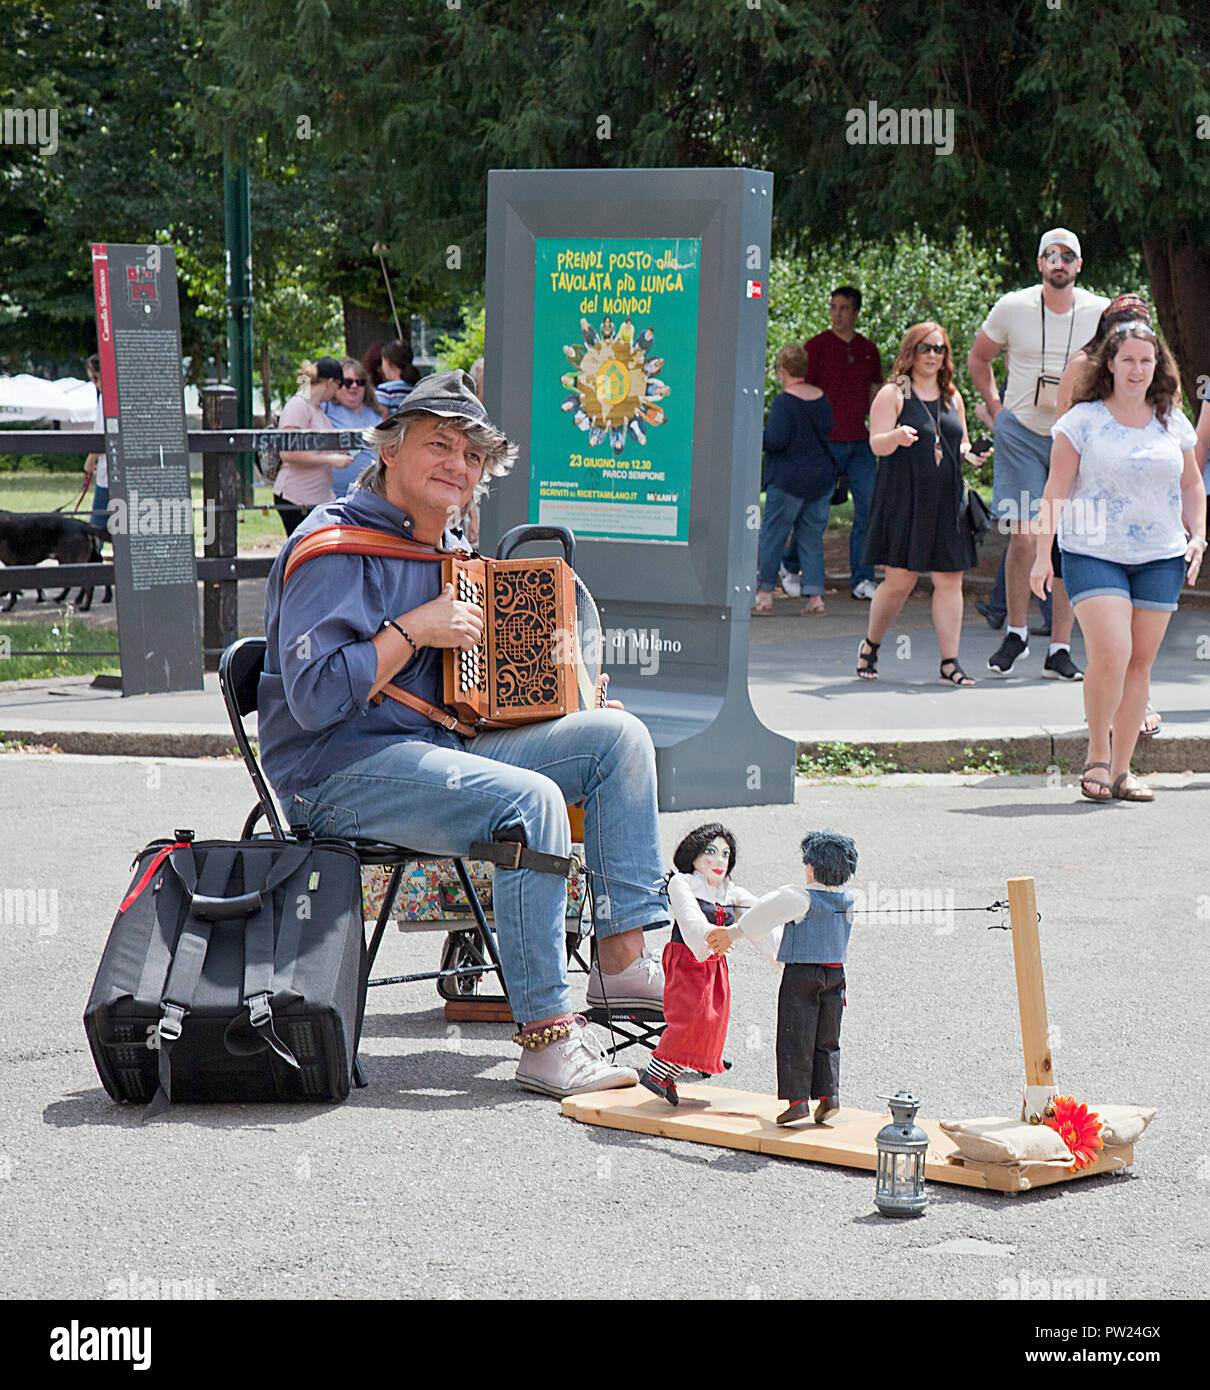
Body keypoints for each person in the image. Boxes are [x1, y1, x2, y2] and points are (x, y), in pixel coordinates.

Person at [257, 369, 668, 1098]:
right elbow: (316, 699)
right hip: (337, 772)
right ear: (389, 449)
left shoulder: (447, 546)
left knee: (618, 739)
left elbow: (471, 693)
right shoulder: (332, 546)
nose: (459, 464)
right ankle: (547, 1039)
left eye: (473, 456)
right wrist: (414, 629)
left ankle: (619, 962)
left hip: (438, 753)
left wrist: (568, 697)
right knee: (533, 801)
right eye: (439, 445)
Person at [1031, 323, 1206, 802]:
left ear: (1157, 366)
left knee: (1139, 665)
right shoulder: (1082, 420)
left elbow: (1192, 484)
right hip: (1092, 550)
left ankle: (1124, 770)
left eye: (1146, 361)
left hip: (1161, 554)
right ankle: (1097, 756)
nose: (1137, 369)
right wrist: (1043, 555)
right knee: (1112, 652)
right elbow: (1055, 489)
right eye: (1127, 360)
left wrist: (1199, 535)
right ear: (1109, 364)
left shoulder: (1171, 420)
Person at [969, 229, 1108, 678]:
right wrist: (997, 409)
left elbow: (1120, 363)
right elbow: (979, 358)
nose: (1059, 262)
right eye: (1052, 255)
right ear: (1039, 262)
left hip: (1076, 437)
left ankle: (1060, 650)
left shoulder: (1100, 311)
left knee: (1068, 542)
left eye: (1068, 256)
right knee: (1024, 537)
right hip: (1023, 432)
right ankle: (1016, 632)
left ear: (1079, 265)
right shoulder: (1013, 306)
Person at [856, 322, 984, 686]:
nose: (933, 355)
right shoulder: (896, 391)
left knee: (949, 578)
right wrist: (895, 436)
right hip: (904, 497)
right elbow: (875, 444)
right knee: (900, 580)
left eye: (939, 349)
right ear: (911, 352)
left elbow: (958, 444)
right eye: (925, 348)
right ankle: (872, 643)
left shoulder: (951, 395)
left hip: (946, 499)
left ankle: (950, 662)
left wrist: (972, 455)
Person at [638, 824, 780, 1106]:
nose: (719, 861)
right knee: (691, 1018)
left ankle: (668, 1075)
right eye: (711, 852)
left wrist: (786, 917)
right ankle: (657, 1072)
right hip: (688, 958)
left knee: (713, 1022)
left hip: (715, 965)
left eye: (725, 855)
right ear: (693, 855)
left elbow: (759, 914)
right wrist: (709, 938)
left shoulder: (730, 891)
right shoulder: (682, 882)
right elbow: (690, 920)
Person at [726, 829, 859, 1126]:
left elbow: (760, 916)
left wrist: (732, 933)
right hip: (837, 974)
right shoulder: (848, 899)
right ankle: (829, 1097)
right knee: (828, 1037)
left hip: (802, 973)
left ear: (811, 865)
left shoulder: (800, 896)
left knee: (794, 1035)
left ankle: (798, 1102)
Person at [798, 286, 885, 601]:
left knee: (869, 507)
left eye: (844, 308)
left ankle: (862, 579)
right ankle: (790, 565)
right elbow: (802, 393)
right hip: (826, 442)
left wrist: (883, 426)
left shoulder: (868, 350)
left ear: (856, 312)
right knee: (815, 509)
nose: (837, 314)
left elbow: (878, 390)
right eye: (833, 307)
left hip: (861, 442)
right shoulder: (817, 346)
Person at [754, 345, 836, 616]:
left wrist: (756, 434)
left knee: (773, 536)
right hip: (821, 479)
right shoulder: (822, 398)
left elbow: (776, 440)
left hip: (789, 480)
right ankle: (815, 598)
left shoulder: (784, 402)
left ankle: (765, 594)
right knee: (811, 538)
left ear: (783, 370)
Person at [273, 357, 354, 536]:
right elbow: (288, 454)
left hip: (319, 499)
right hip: (296, 498)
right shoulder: (298, 406)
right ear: (330, 382)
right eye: (338, 386)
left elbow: (320, 448)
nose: (336, 393)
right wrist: (330, 459)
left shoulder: (317, 410)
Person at [322, 357, 385, 497]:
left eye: (360, 382)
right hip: (331, 496)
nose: (354, 386)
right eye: (348, 382)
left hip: (371, 494)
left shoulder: (374, 414)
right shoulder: (324, 409)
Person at [82, 354, 111, 537]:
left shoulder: (107, 398)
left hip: (108, 476)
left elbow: (101, 437)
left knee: (97, 527)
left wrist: (90, 461)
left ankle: (93, 562)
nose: (95, 383)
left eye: (95, 378)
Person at [372, 338, 420, 415]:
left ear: (387, 361)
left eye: (382, 361)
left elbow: (380, 422)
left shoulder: (385, 391)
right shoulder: (418, 388)